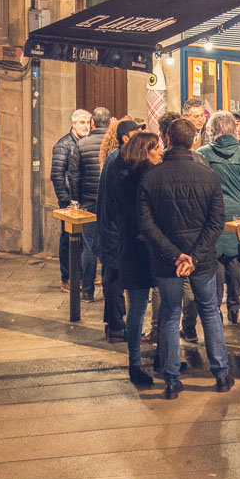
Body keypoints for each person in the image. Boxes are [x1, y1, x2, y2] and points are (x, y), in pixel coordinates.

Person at [137, 116, 232, 400]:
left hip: (167, 262)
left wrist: (175, 255)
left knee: (169, 314)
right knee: (210, 311)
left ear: (166, 138)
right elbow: (217, 222)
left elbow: (146, 223)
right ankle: (221, 373)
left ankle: (170, 378)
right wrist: (194, 255)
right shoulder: (209, 176)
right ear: (194, 141)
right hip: (201, 260)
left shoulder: (151, 177)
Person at [110, 129, 164, 386]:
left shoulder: (130, 174)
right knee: (139, 308)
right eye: (155, 147)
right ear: (144, 151)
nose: (160, 151)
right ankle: (135, 363)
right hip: (137, 250)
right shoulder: (132, 179)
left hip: (142, 248)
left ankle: (161, 356)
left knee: (158, 303)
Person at [198, 110, 240, 324]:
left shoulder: (202, 153)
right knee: (235, 260)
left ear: (212, 130)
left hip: (212, 213)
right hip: (239, 215)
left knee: (216, 261)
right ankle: (234, 306)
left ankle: (216, 307)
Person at [96, 117, 141, 339]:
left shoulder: (115, 156)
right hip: (114, 230)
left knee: (112, 276)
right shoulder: (121, 159)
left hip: (110, 228)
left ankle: (112, 322)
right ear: (126, 138)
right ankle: (116, 325)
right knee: (114, 277)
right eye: (137, 133)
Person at [50, 109, 92, 292]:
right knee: (68, 240)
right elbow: (57, 175)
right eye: (81, 122)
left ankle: (82, 276)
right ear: (73, 124)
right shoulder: (64, 145)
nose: (85, 126)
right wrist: (65, 201)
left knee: (84, 241)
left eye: (88, 122)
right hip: (70, 202)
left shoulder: (87, 143)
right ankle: (67, 277)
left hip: (84, 200)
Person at [76, 106, 111, 300]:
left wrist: (76, 199)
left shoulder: (82, 144)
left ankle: (87, 291)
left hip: (88, 201)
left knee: (88, 247)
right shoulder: (114, 144)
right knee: (108, 245)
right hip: (109, 203)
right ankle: (108, 288)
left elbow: (75, 175)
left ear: (92, 123)